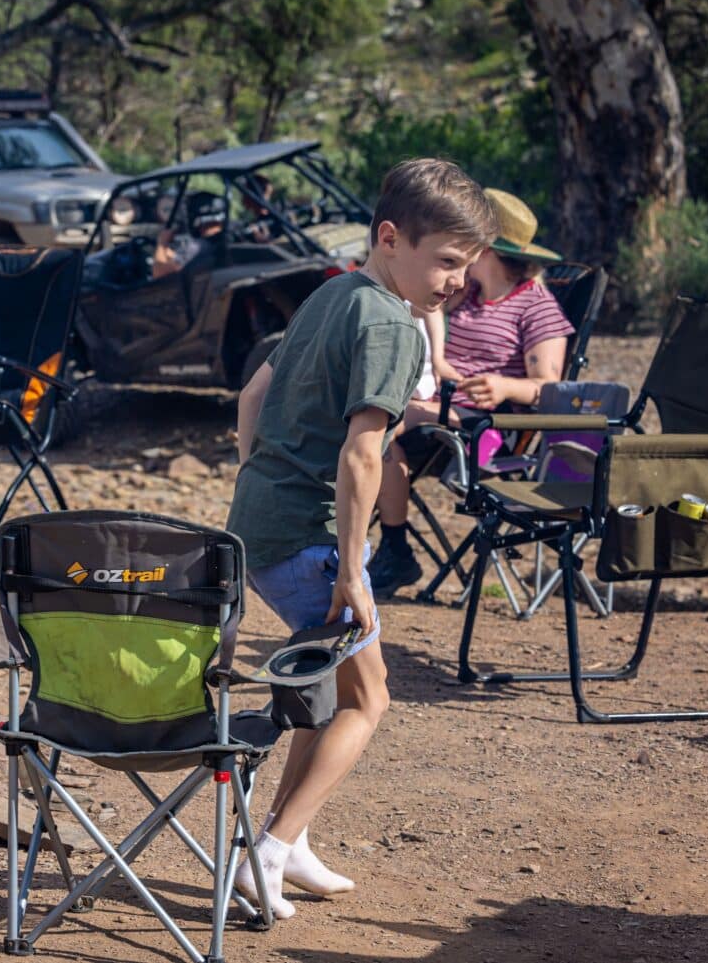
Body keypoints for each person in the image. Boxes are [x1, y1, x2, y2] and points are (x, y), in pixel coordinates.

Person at [226, 158, 497, 919]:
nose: (457, 283)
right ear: (390, 238)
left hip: (261, 522)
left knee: (331, 690)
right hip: (312, 538)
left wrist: (258, 477)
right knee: (370, 697)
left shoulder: (333, 291)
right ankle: (267, 850)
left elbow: (254, 394)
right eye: (446, 261)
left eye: (467, 266)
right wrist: (352, 569)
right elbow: (362, 454)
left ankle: (292, 839)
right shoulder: (390, 324)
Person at [365, 188, 574, 597]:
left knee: (382, 422)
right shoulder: (467, 294)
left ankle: (391, 549)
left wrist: (504, 386)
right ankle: (384, 546)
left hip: (491, 426)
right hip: (436, 409)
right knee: (375, 426)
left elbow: (552, 389)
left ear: (485, 249)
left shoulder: (537, 306)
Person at [153, 192, 225, 278]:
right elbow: (187, 258)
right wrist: (170, 254)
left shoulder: (198, 246)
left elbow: (159, 274)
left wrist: (162, 243)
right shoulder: (227, 240)